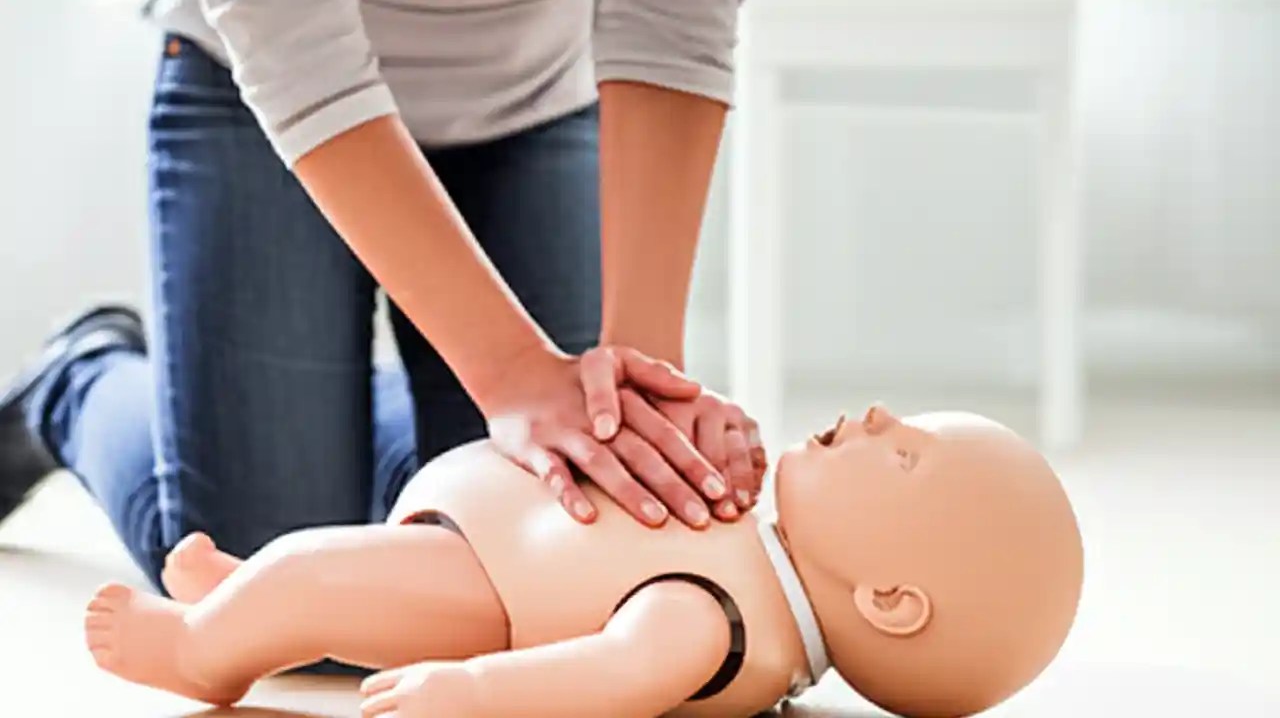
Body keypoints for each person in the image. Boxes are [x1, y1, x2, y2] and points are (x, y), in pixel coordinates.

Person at [0, 0, 764, 594]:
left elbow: (674, 20)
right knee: (262, 570)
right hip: (261, 93)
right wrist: (505, 371)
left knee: (546, 538)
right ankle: (83, 373)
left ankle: (336, 404)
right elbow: (296, 46)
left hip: (533, 101)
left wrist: (635, 384)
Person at [81, 404, 1085, 718]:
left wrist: (474, 693)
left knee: (312, 574)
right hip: (483, 542)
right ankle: (261, 599)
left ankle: (205, 649)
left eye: (902, 454)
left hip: (490, 597)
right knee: (330, 578)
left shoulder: (713, 626)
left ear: (890, 600)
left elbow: (609, 674)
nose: (874, 416)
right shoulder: (771, 559)